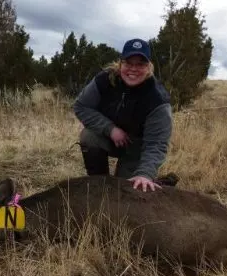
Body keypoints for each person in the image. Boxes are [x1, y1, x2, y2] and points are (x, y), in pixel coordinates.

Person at [73, 38, 172, 192]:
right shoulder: (105, 80)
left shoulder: (158, 99)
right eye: (128, 63)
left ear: (149, 67)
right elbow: (81, 106)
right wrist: (110, 129)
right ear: (120, 64)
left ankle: (151, 179)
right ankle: (98, 184)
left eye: (140, 64)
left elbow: (156, 144)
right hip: (110, 138)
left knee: (127, 192)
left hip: (137, 149)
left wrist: (145, 173)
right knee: (88, 136)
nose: (133, 69)